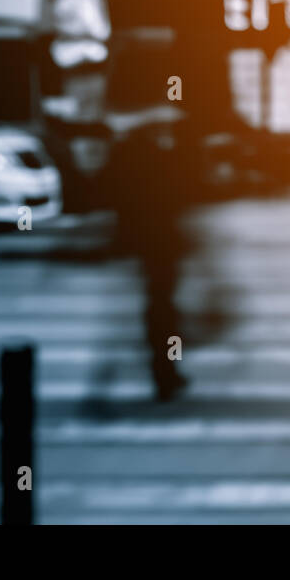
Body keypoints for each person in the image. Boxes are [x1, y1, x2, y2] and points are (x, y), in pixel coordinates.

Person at [108, 122, 191, 402]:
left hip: (147, 241)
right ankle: (165, 370)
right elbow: (178, 194)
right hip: (161, 243)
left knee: (160, 307)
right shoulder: (156, 155)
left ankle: (164, 368)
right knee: (163, 309)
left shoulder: (125, 154)